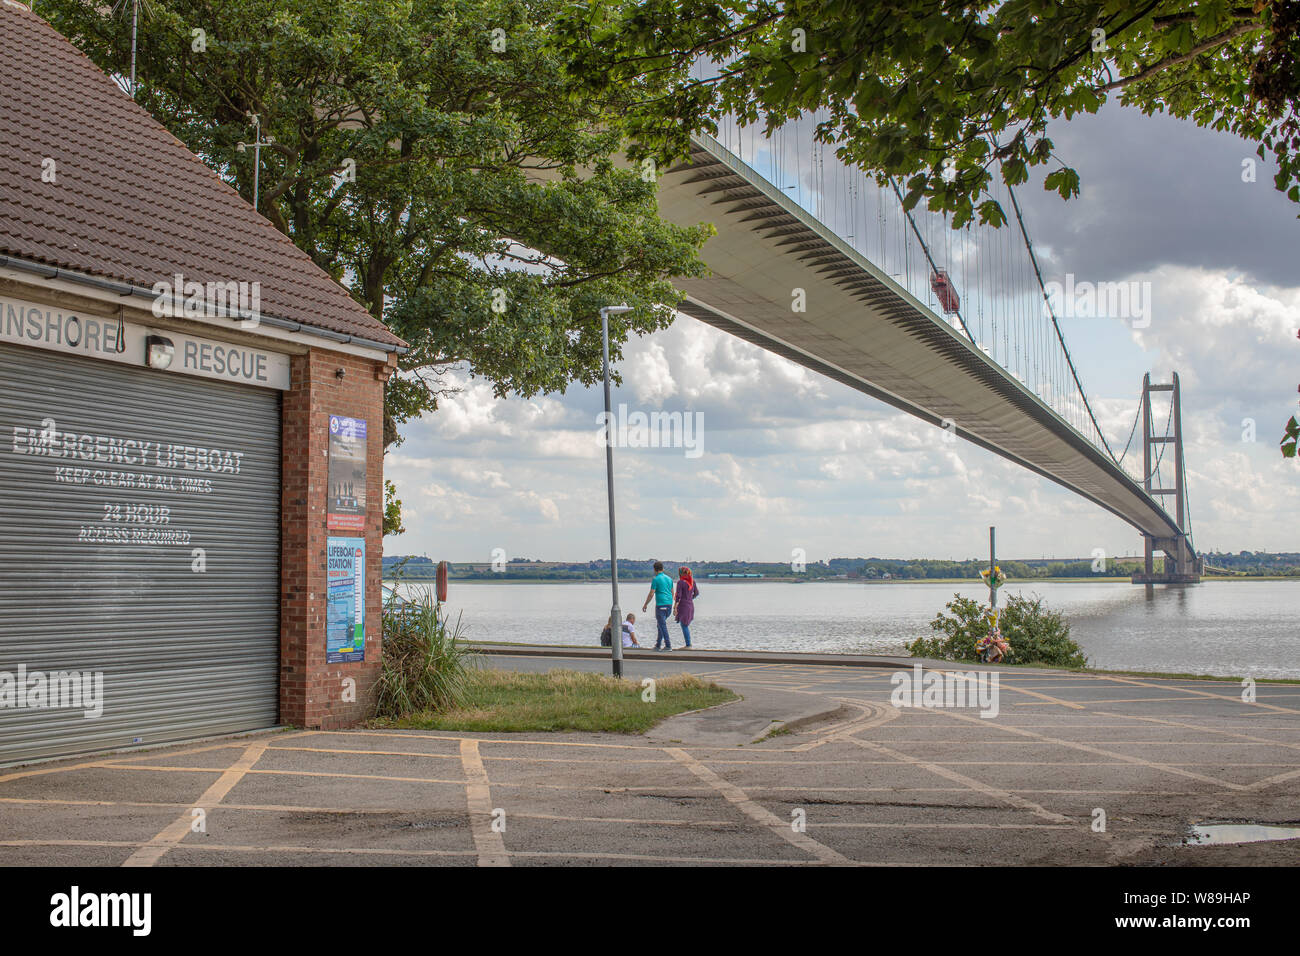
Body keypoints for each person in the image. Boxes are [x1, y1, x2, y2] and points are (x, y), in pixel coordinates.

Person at [642, 560, 675, 650]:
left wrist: (645, 604)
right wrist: (673, 605)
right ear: (662, 569)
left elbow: (651, 594)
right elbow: (672, 593)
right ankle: (658, 645)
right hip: (669, 605)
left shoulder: (655, 579)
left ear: (654, 570)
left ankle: (668, 645)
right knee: (660, 624)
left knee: (662, 625)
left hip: (661, 605)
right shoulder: (669, 579)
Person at [672, 566, 699, 649]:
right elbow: (697, 593)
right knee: (685, 624)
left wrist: (675, 607)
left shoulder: (680, 582)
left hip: (683, 606)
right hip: (690, 605)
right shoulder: (692, 582)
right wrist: (690, 598)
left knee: (684, 625)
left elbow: (678, 596)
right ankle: (688, 644)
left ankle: (688, 645)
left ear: (681, 573)